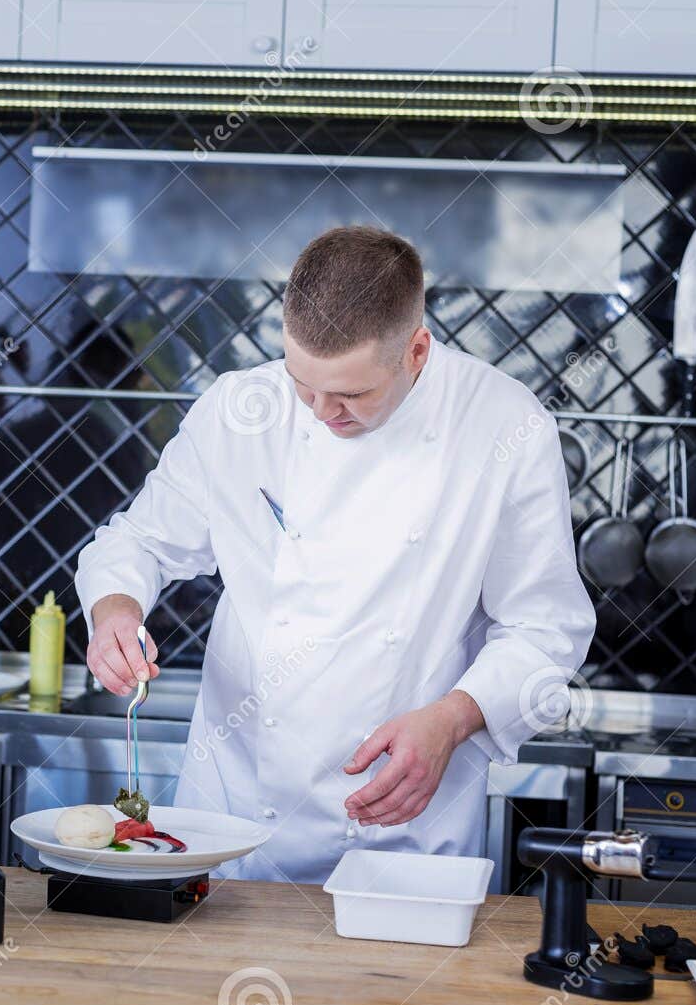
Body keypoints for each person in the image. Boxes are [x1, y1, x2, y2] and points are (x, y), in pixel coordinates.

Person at [76, 226, 595, 883]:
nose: (322, 412)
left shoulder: (506, 427)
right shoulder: (240, 409)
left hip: (403, 837)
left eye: (351, 395)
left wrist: (452, 719)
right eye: (302, 383)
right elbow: (138, 539)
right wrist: (115, 612)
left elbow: (547, 629)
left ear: (416, 350)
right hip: (237, 831)